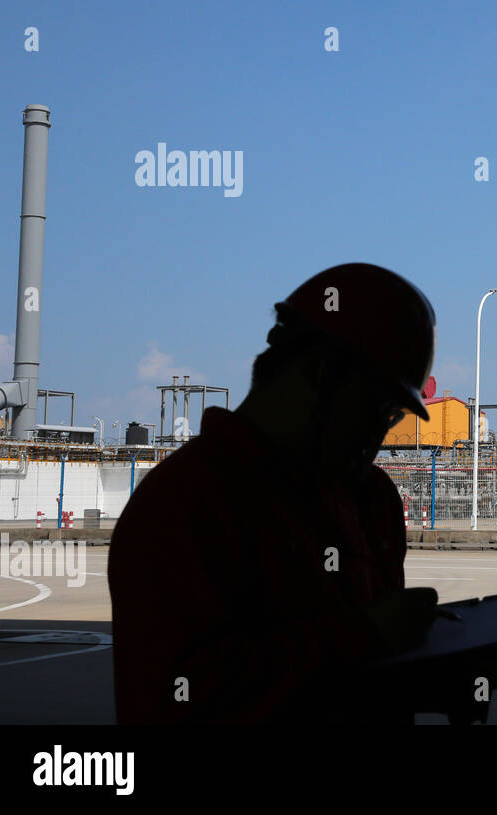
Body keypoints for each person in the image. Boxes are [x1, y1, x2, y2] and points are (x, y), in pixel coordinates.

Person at [109, 263, 444, 723]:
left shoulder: (371, 500)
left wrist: (439, 674)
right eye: (378, 408)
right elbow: (179, 696)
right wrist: (363, 634)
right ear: (320, 372)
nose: (379, 433)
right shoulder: (183, 505)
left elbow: (368, 682)